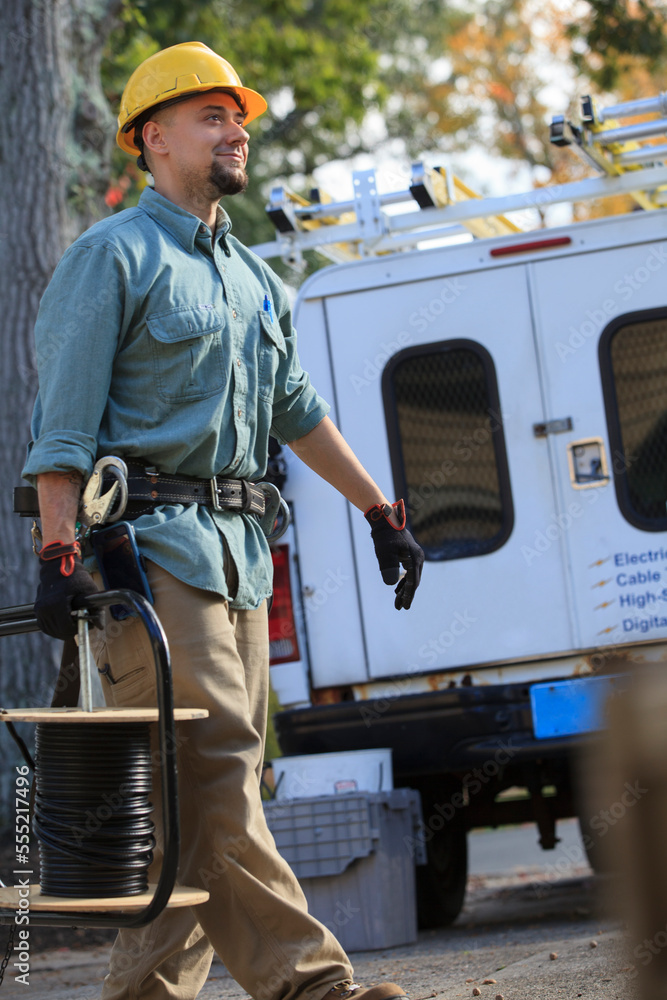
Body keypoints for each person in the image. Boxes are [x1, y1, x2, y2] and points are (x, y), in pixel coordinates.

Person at [23, 41, 424, 1000]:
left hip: (241, 556)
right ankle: (313, 987)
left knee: (200, 794)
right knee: (211, 777)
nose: (235, 130)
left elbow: (296, 407)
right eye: (212, 116)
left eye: (238, 116)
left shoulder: (249, 276)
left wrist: (378, 510)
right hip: (145, 553)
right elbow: (62, 429)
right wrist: (58, 550)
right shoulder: (110, 257)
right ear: (152, 140)